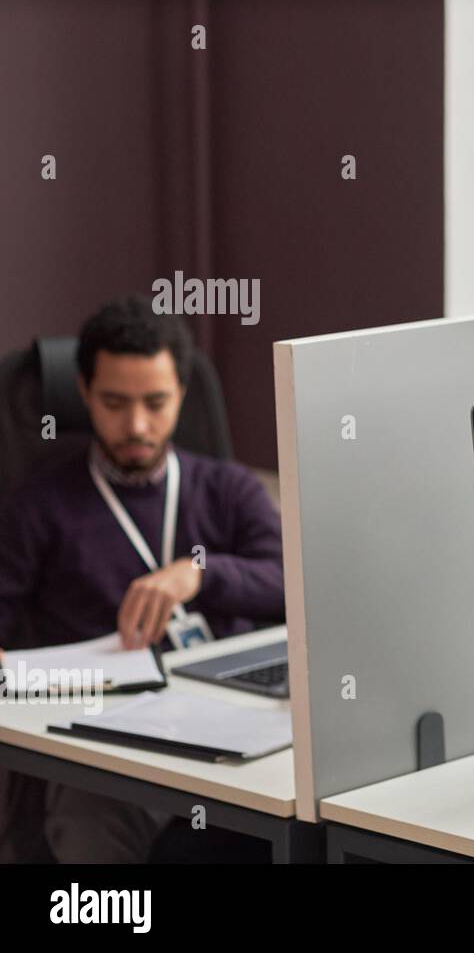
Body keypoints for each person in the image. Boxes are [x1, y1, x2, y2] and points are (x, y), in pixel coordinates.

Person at [0, 298, 285, 862]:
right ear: (83, 392)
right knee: (92, 817)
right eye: (114, 402)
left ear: (182, 392)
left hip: (230, 726)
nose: (136, 425)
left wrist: (200, 572)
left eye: (155, 403)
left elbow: (289, 582)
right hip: (106, 738)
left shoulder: (227, 489)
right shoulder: (38, 506)